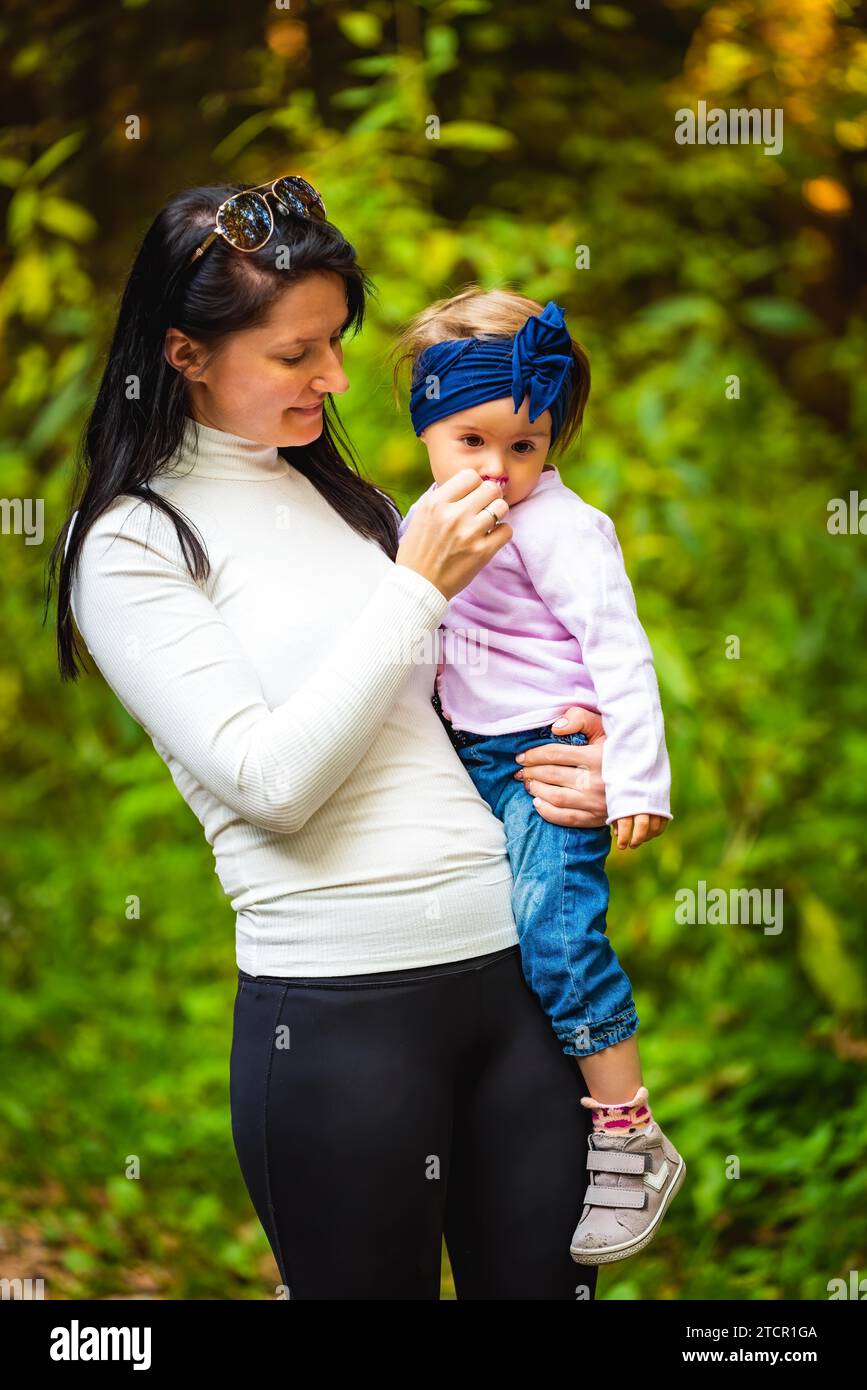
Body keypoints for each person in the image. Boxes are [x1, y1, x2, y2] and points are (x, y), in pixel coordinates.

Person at [48, 176, 612, 1300]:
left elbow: (436, 720)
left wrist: (569, 757)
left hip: (516, 985)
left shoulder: (348, 499)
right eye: (297, 354)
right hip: (343, 1019)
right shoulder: (130, 542)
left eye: (338, 343)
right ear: (184, 352)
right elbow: (274, 783)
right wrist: (416, 590)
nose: (337, 378)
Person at [393, 288, 686, 1265]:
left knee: (556, 928)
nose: (501, 469)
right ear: (428, 427)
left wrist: (636, 779)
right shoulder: (420, 521)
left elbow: (622, 654)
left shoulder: (562, 528)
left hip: (536, 757)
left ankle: (626, 1133)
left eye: (526, 446)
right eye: (473, 441)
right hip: (453, 755)